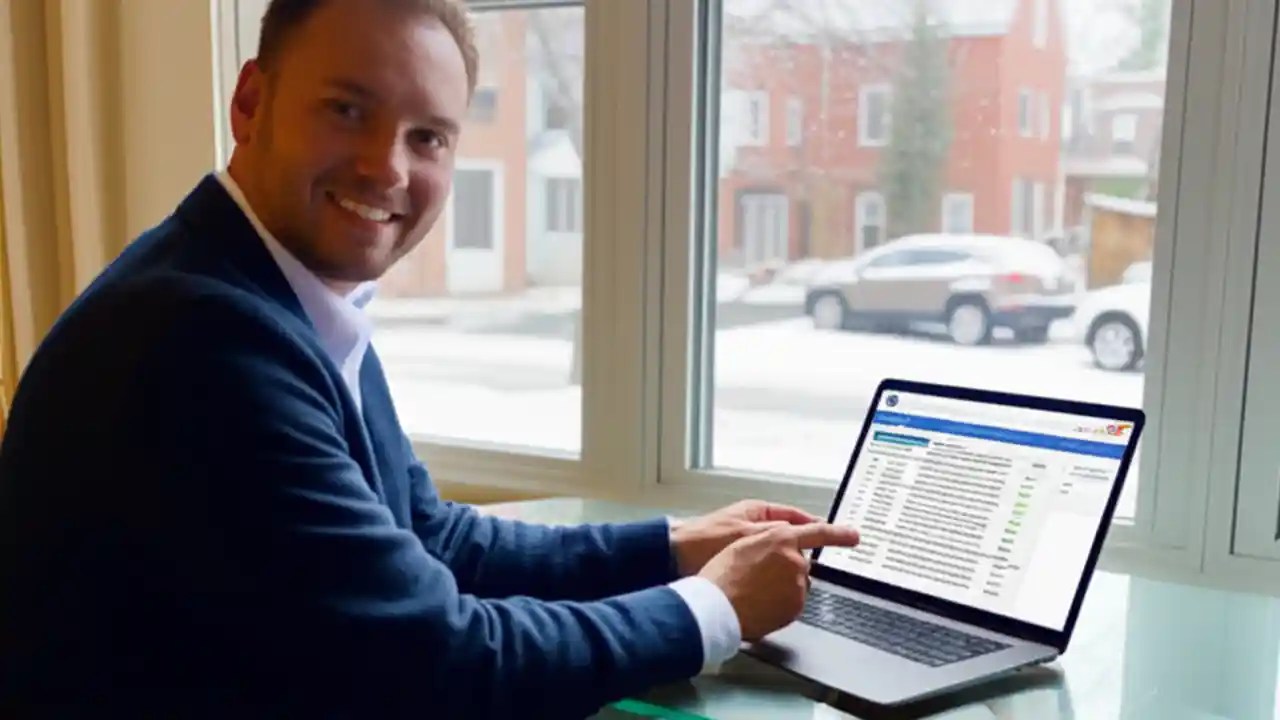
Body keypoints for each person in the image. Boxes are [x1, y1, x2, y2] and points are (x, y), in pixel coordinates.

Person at [0, 0, 859, 716]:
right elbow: (440, 663)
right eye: (348, 110)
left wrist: (674, 547)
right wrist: (714, 606)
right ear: (251, 103)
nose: (387, 167)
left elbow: (432, 535)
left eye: (428, 137)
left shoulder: (281, 293)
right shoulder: (203, 338)